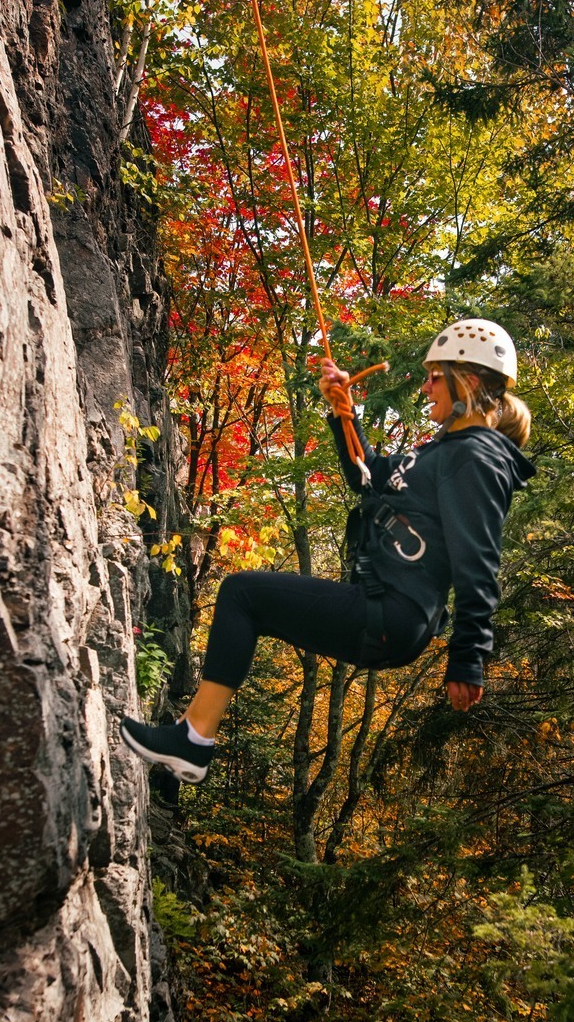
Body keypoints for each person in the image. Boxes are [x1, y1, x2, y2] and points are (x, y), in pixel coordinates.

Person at [120, 319, 535, 784]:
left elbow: (478, 559)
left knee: (242, 593)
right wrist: (344, 412)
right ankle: (182, 751)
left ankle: (193, 742)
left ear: (470, 381)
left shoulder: (476, 458)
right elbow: (368, 475)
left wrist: (469, 655)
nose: (426, 387)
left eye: (434, 376)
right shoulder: (445, 452)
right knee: (247, 600)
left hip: (395, 615)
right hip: (387, 611)